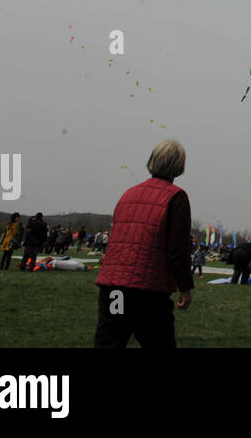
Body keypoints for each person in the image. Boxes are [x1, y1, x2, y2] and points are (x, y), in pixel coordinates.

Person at [93, 140, 193, 348]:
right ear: (179, 166)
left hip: (114, 288)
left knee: (110, 341)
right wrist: (185, 287)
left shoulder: (128, 194)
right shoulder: (177, 198)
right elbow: (177, 248)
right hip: (147, 291)